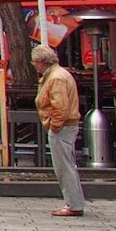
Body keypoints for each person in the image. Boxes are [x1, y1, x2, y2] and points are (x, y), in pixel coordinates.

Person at [32, 44, 85, 216]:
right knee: (66, 165)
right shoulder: (57, 74)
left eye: (34, 62)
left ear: (41, 62)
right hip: (64, 124)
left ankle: (73, 204)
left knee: (64, 166)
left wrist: (54, 126)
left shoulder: (55, 78)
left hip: (62, 126)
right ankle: (74, 203)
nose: (33, 65)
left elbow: (60, 106)